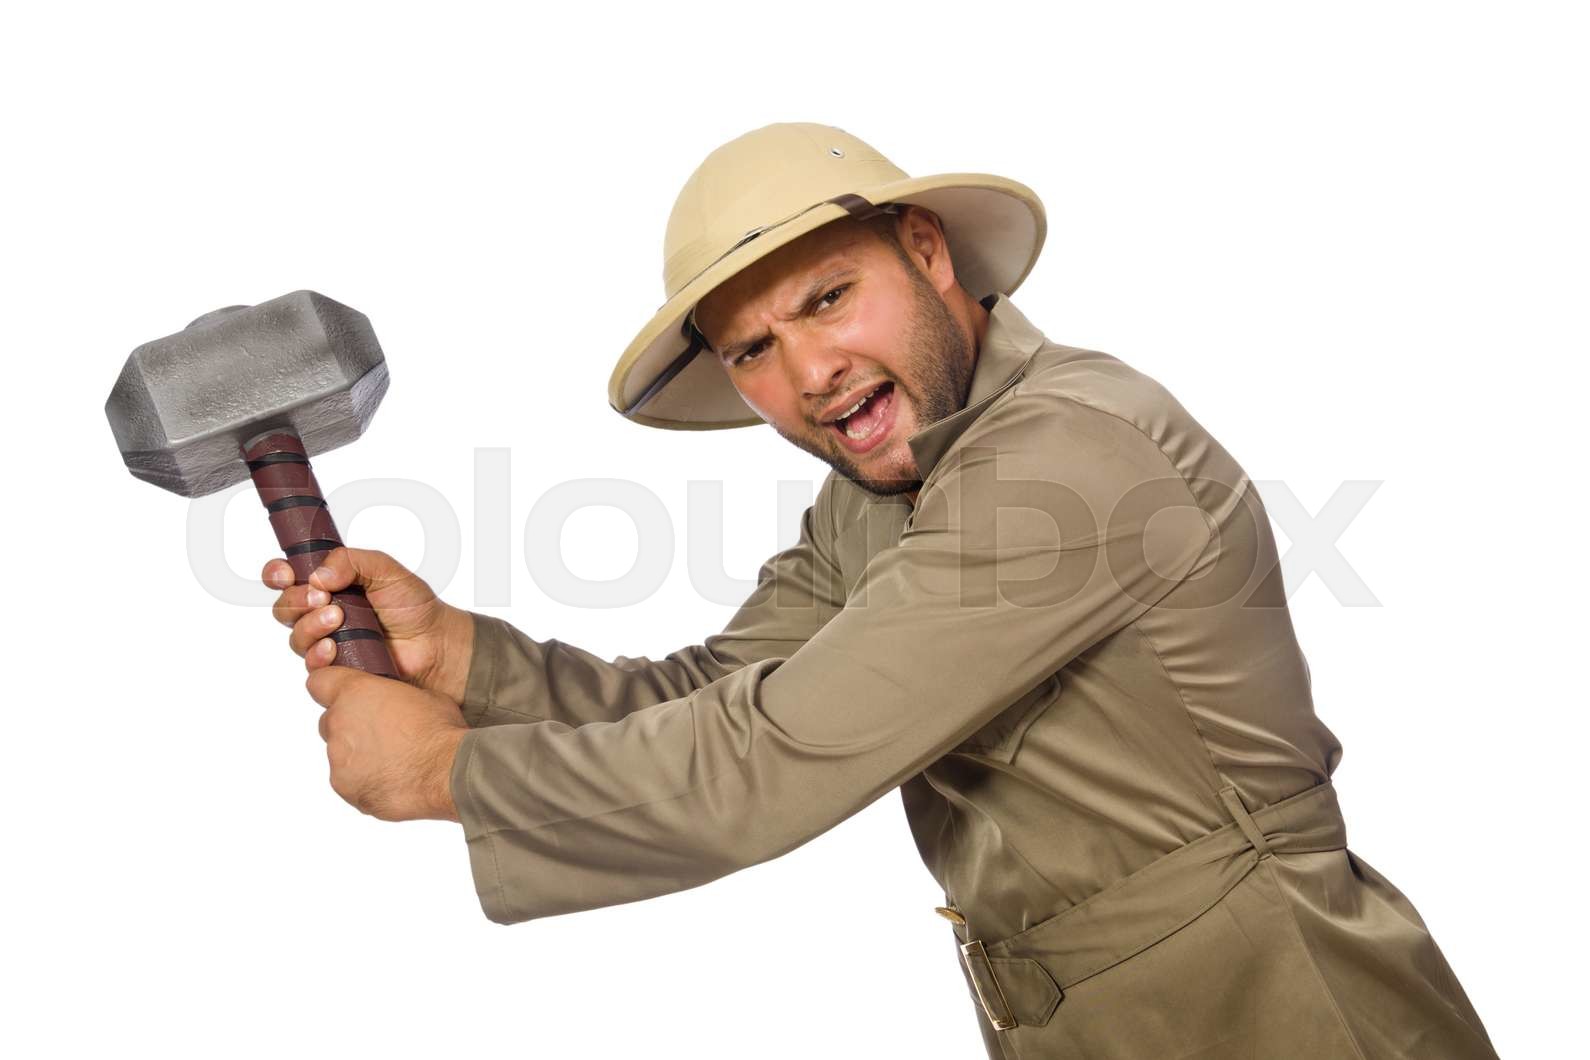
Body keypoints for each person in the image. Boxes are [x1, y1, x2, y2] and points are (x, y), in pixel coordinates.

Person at [263, 123, 1498, 1058]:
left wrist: (443, 773)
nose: (809, 370)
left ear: (926, 252)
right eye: (753, 348)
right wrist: (462, 659)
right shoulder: (875, 494)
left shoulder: (1067, 455)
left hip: (1283, 1009)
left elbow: (773, 757)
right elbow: (718, 690)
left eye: (827, 298)